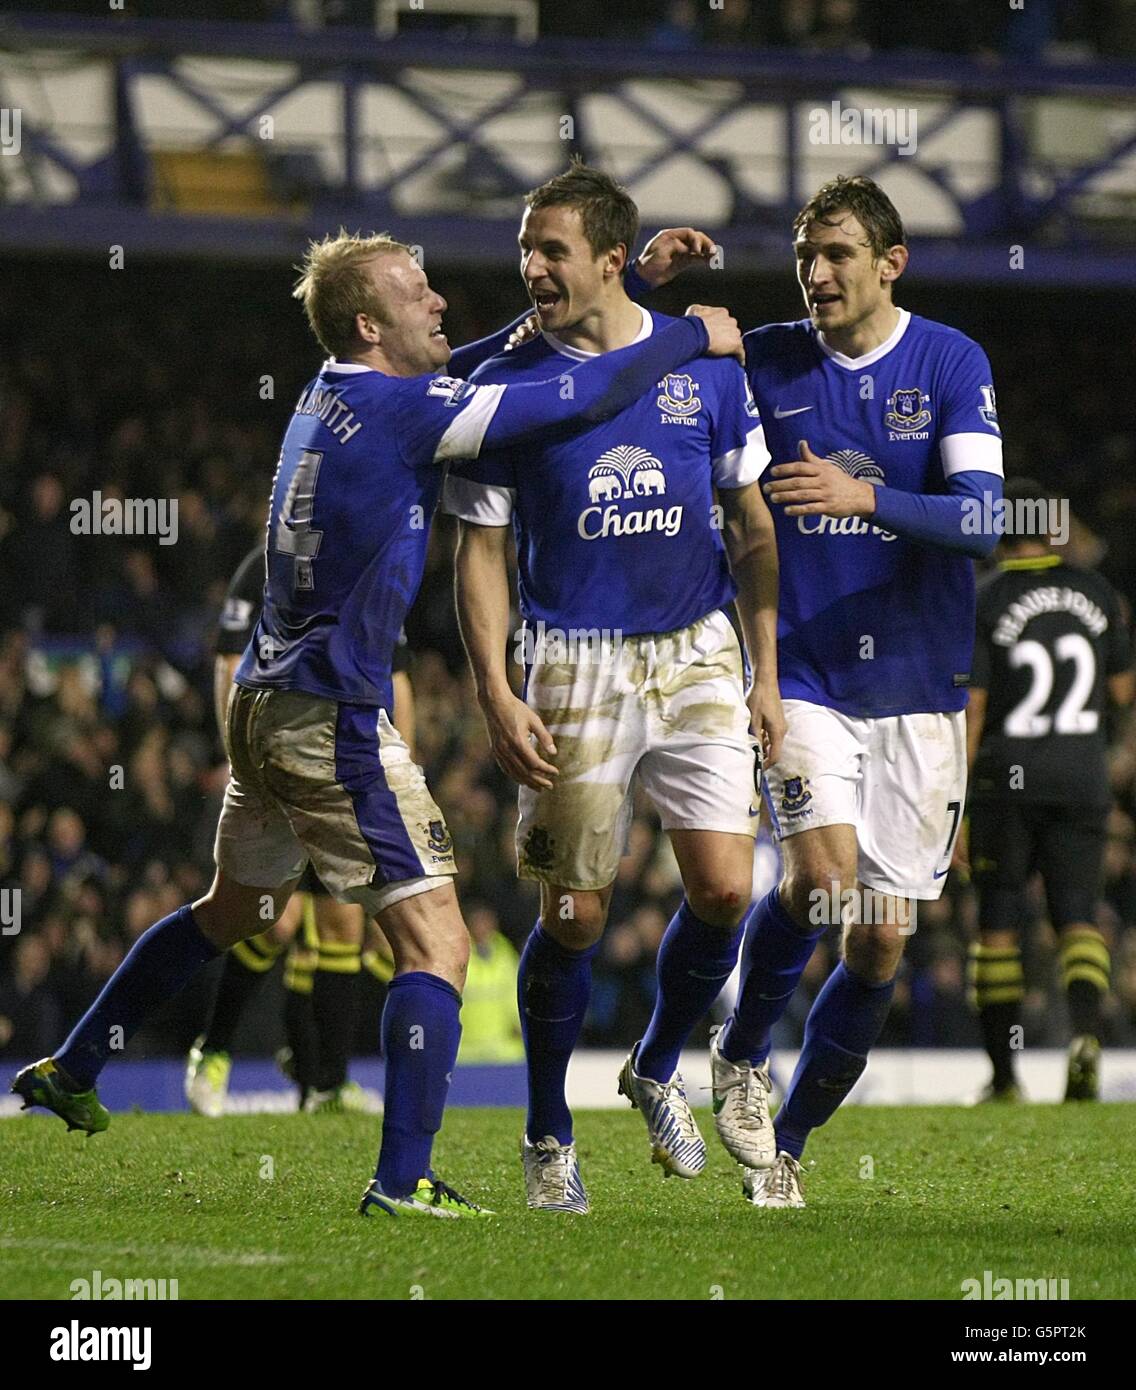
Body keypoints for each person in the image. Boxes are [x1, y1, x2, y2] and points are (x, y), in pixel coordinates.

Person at [11, 229, 743, 1219]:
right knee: (436, 942)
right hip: (333, 716)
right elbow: (569, 398)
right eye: (417, 290)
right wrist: (683, 337)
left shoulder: (335, 389)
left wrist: (633, 285)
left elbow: (480, 367)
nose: (438, 301)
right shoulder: (397, 409)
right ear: (369, 322)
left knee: (231, 908)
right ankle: (401, 1182)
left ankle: (76, 1063)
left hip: (263, 704)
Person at [633, 173, 1005, 1206]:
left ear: (890, 262)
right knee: (819, 875)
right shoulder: (763, 356)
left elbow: (981, 519)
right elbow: (608, 351)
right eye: (806, 253)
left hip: (919, 685)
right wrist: (635, 277)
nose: (816, 271)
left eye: (837, 252)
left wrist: (864, 496)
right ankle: (743, 1049)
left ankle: (783, 1141)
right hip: (796, 671)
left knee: (879, 936)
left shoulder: (947, 361)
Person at [445, 162, 779, 1213]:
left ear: (606, 259)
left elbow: (753, 525)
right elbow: (479, 553)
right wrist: (496, 690)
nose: (529, 267)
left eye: (550, 251)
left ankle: (653, 1062)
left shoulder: (708, 368)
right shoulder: (506, 384)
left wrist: (764, 668)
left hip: (695, 646)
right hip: (569, 660)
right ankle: (548, 1132)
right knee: (577, 913)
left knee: (727, 888)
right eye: (522, 251)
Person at [184, 544, 416, 1117]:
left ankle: (325, 1086)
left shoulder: (369, 566)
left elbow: (398, 676)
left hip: (345, 766)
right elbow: (225, 668)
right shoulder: (262, 567)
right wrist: (243, 761)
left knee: (341, 924)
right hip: (276, 762)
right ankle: (212, 1051)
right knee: (273, 918)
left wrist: (399, 769)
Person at [963, 477, 1133, 1102]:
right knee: (1080, 919)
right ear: (1051, 525)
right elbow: (1120, 691)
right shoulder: (1096, 590)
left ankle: (1004, 1076)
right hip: (1082, 776)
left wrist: (952, 800)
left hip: (1006, 779)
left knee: (1000, 921)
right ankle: (1085, 1036)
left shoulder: (987, 597)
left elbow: (974, 706)